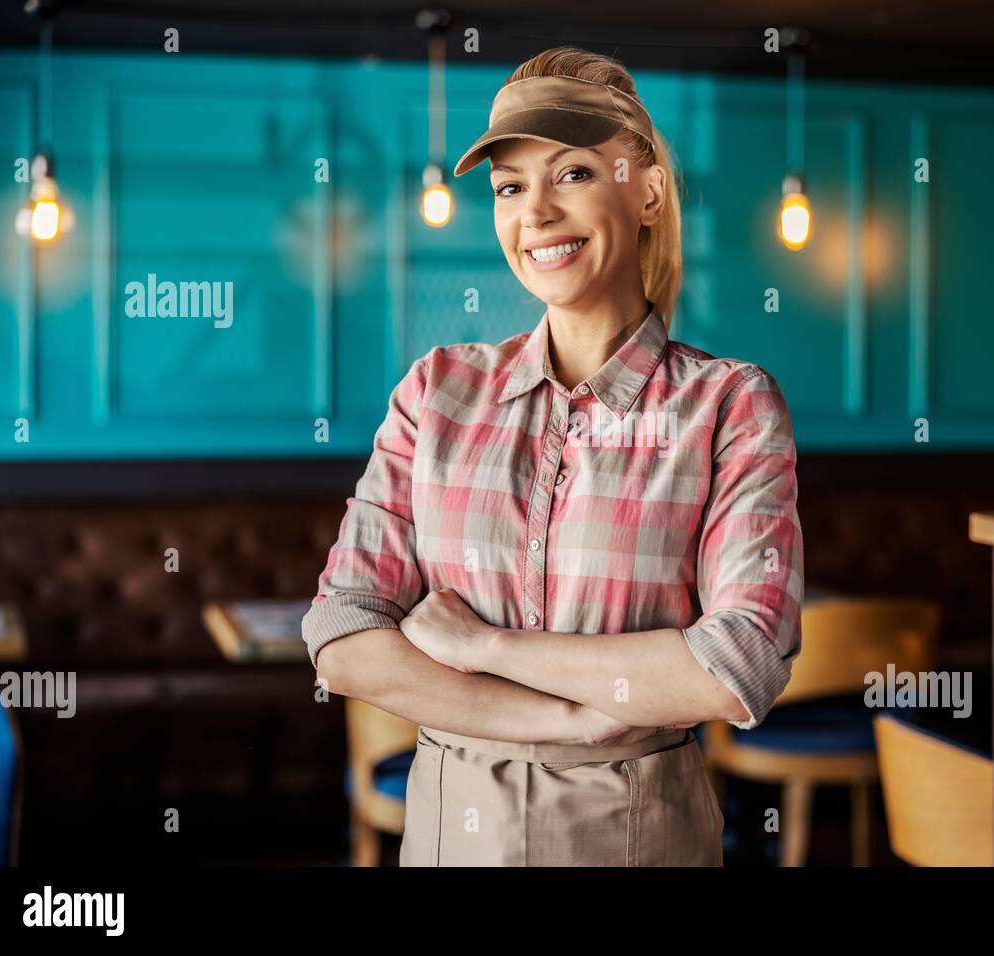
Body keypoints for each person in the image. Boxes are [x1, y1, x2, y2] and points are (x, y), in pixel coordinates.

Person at [303, 45, 804, 866]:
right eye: (509, 187)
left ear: (645, 192)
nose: (533, 211)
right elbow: (341, 630)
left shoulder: (730, 405)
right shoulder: (436, 392)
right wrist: (565, 717)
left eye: (570, 173)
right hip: (449, 832)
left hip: (640, 832)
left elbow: (735, 666)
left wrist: (487, 648)